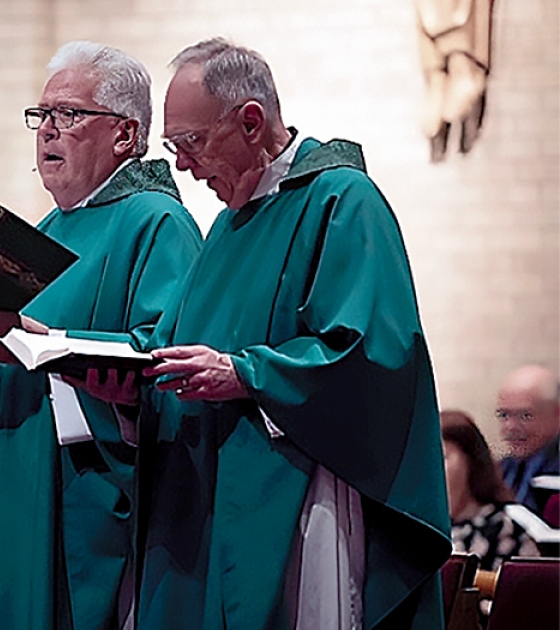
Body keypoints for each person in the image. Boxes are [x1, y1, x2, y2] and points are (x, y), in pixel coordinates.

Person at [79, 38, 452, 629]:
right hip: (209, 501)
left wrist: (246, 374)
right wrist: (134, 394)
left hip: (297, 502)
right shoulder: (227, 225)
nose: (182, 165)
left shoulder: (341, 201)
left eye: (191, 143)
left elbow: (373, 356)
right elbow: (178, 348)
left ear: (250, 122)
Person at [0, 41, 201, 630]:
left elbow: (162, 362)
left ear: (126, 134)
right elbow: (12, 354)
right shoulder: (45, 230)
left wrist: (47, 341)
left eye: (69, 114)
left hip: (77, 496)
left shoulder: (156, 222)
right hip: (14, 479)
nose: (48, 132)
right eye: (42, 116)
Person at [442, 410, 540, 571]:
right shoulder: (424, 531)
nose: (432, 470)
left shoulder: (503, 528)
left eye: (443, 457)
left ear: (471, 462)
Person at [495, 365, 560, 516]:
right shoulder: (501, 471)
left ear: (556, 414)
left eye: (525, 416)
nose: (511, 427)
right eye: (504, 415)